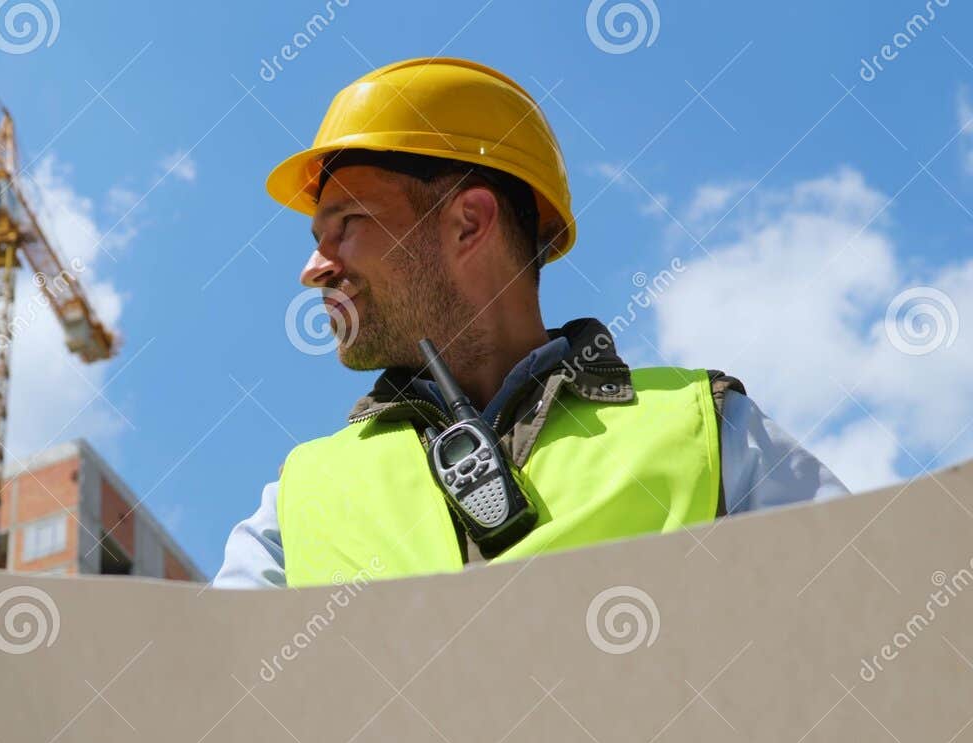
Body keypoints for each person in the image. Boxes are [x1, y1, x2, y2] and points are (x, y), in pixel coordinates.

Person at [214, 58, 845, 590]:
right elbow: (217, 709)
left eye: (346, 225)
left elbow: (873, 624)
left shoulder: (712, 430)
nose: (313, 269)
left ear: (468, 223)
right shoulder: (294, 505)